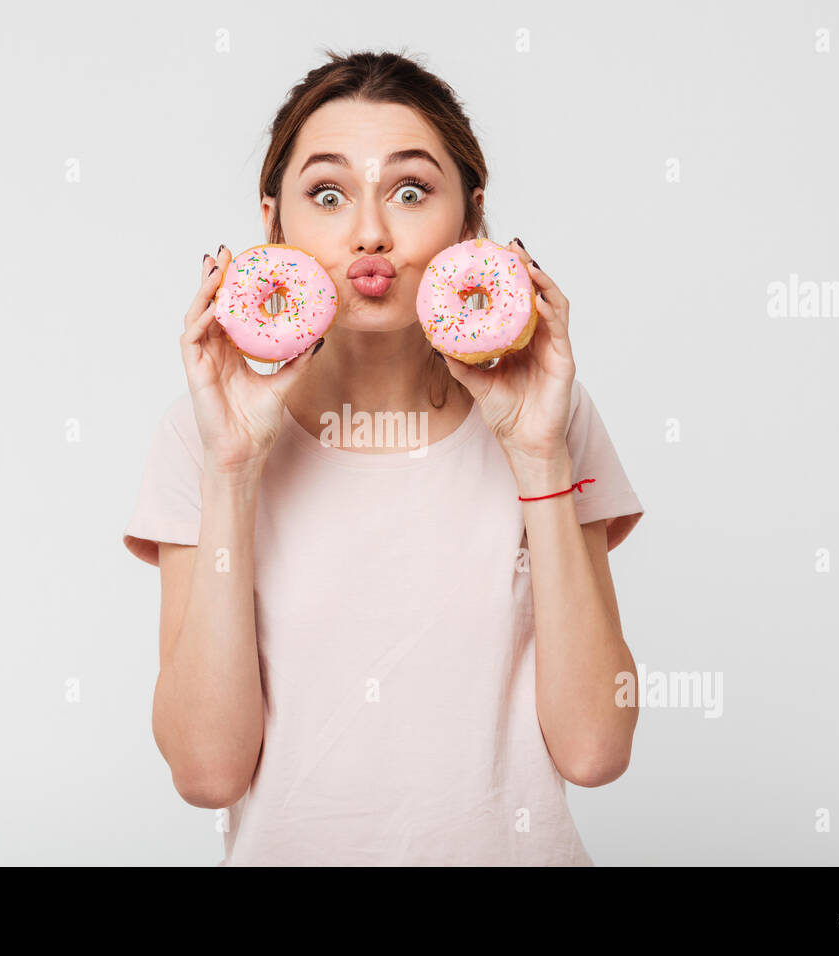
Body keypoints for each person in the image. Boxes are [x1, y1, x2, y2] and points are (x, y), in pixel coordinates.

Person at [122, 49, 645, 866]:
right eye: (327, 194)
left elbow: (596, 751)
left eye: (411, 191)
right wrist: (232, 473)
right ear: (273, 224)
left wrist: (539, 457)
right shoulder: (202, 434)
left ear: (471, 220)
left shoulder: (550, 416)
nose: (370, 231)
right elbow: (207, 769)